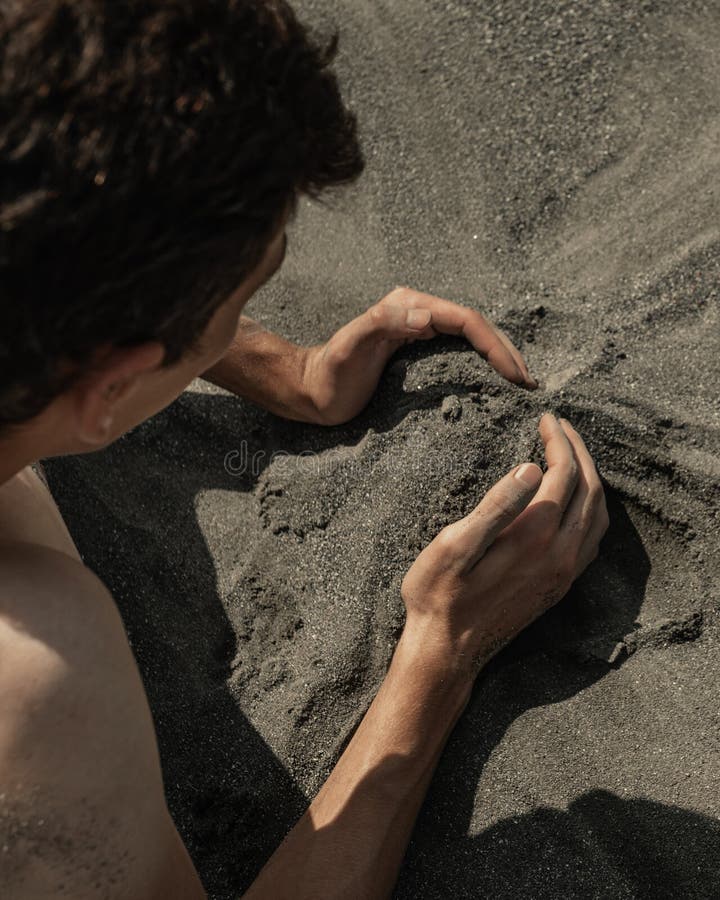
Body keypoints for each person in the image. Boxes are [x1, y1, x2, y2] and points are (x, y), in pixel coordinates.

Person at [0, 2, 609, 897]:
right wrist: (445, 650)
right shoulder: (33, 673)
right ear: (112, 387)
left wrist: (283, 369)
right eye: (251, 287)